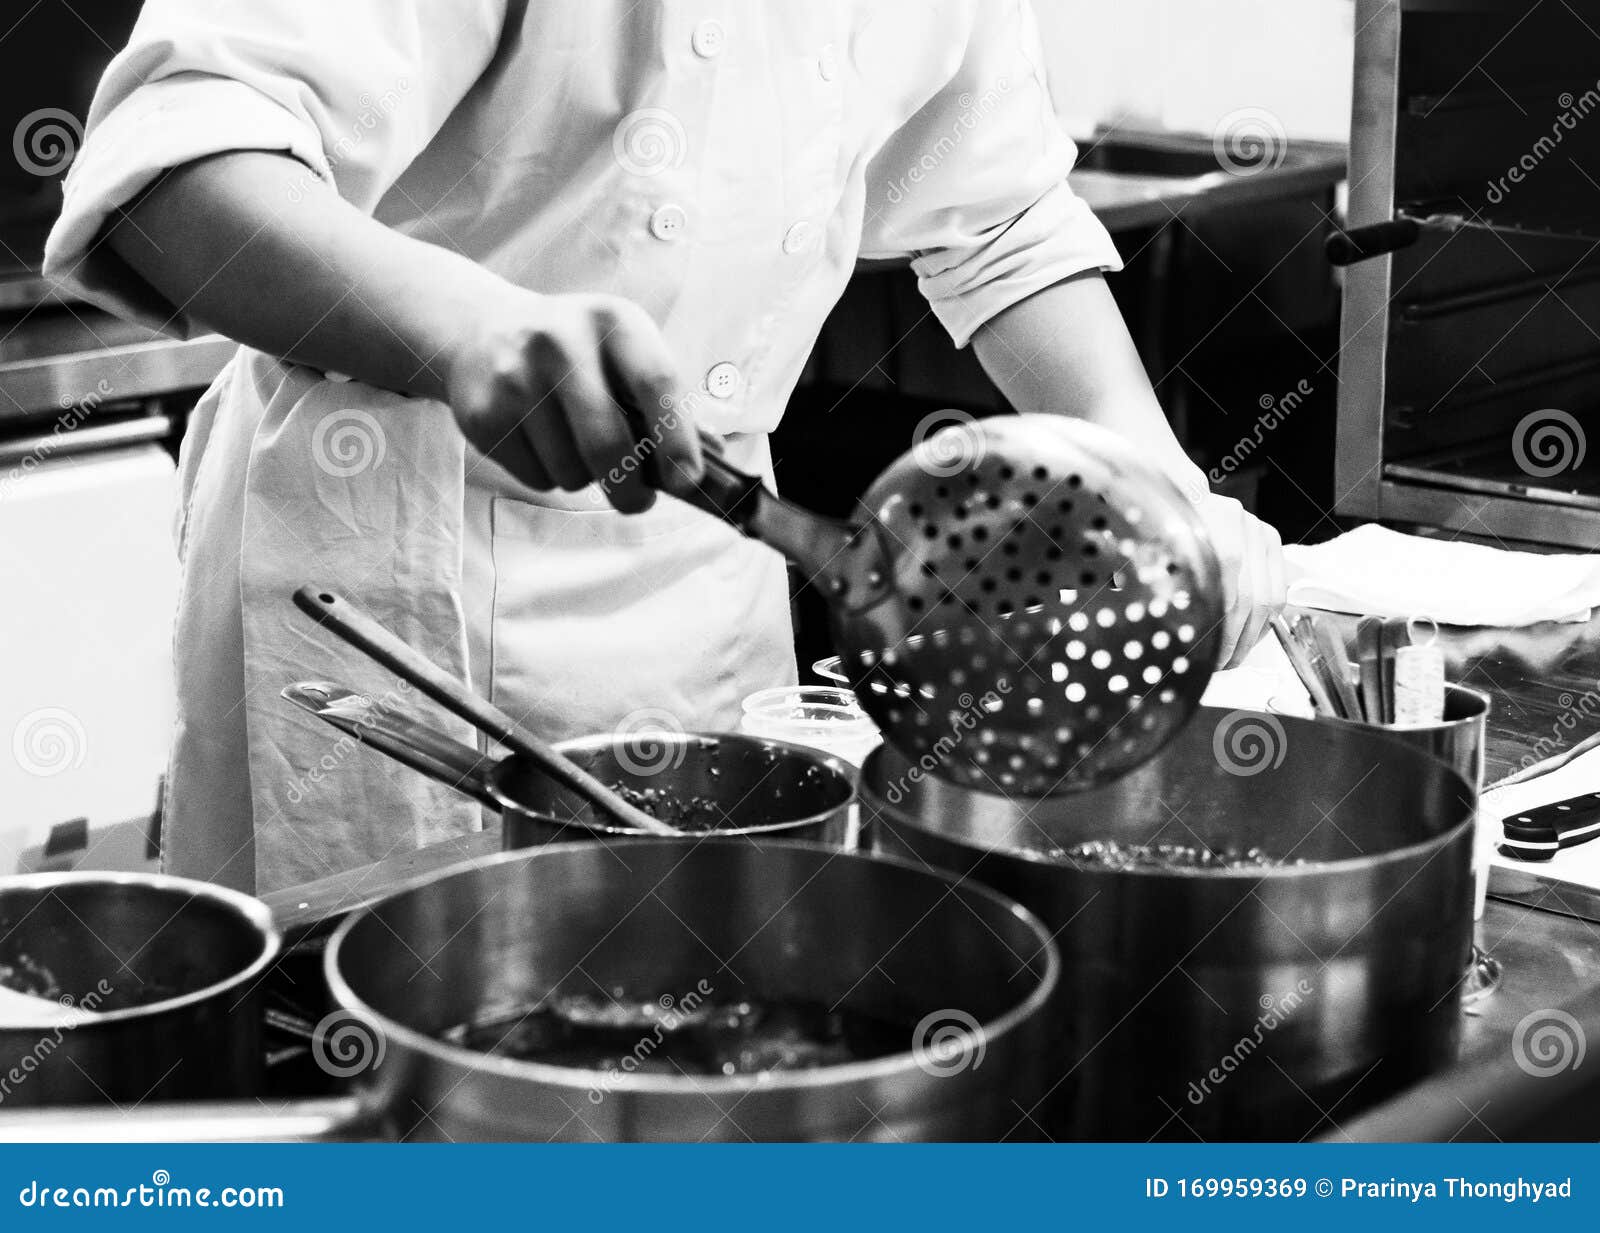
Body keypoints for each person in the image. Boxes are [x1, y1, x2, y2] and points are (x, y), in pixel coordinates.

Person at [46, 0, 1285, 894]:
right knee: (411, 1098)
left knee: (691, 1040)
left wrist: (1143, 469)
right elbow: (171, 174)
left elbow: (998, 211)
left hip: (701, 584)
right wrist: (466, 330)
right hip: (389, 562)